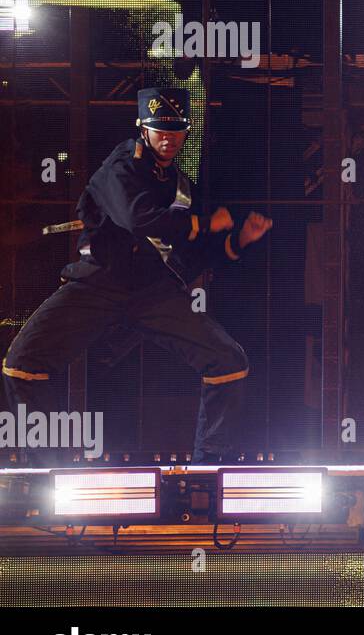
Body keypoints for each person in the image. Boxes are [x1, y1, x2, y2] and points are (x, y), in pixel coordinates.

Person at [2, 88, 272, 464]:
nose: (169, 138)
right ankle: (43, 469)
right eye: (160, 129)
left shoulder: (178, 185)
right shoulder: (120, 167)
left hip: (151, 291)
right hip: (98, 284)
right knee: (21, 363)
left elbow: (190, 257)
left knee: (229, 361)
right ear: (142, 128)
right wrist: (203, 222)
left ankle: (209, 464)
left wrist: (239, 240)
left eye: (177, 130)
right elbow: (139, 219)